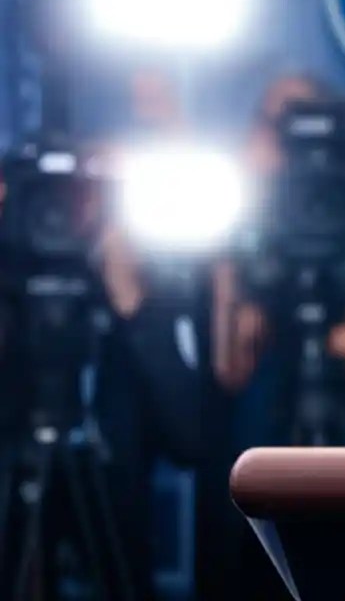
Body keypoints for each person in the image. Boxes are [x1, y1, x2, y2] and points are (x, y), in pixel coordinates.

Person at [198, 75, 345, 599]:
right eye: (279, 126)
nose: (295, 147)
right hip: (251, 499)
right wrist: (230, 252)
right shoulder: (250, 233)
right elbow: (230, 364)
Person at [0, 71, 202, 600]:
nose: (64, 214)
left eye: (86, 190)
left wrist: (134, 304)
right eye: (50, 195)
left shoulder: (137, 289)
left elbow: (191, 440)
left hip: (114, 525)